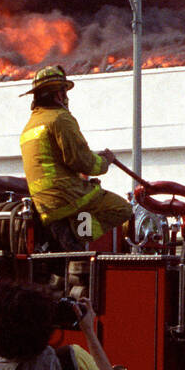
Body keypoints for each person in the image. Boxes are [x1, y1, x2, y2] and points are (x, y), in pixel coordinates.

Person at [19, 65, 132, 244]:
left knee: (89, 207)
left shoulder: (30, 125)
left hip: (45, 205)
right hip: (67, 198)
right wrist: (105, 161)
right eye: (64, 91)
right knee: (123, 209)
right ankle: (78, 235)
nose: (66, 97)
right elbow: (82, 162)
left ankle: (74, 234)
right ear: (58, 94)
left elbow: (57, 162)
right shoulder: (60, 118)